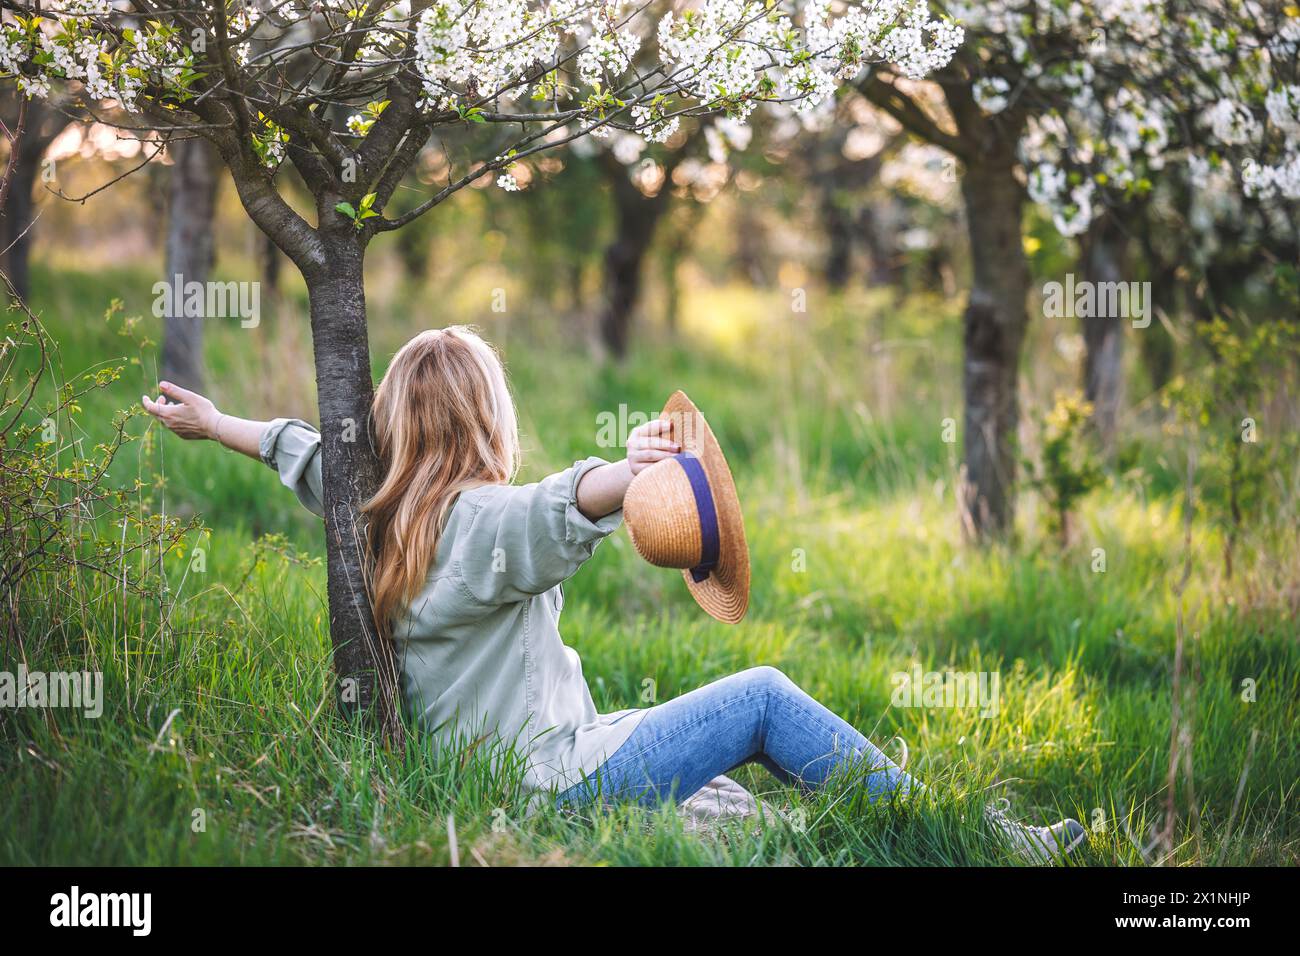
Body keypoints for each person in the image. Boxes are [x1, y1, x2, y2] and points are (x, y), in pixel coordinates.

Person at [143, 325, 1085, 863]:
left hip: (497, 780)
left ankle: (867, 834)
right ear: (488, 417)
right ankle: (986, 841)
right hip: (551, 783)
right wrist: (622, 475)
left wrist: (219, 422)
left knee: (730, 790)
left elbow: (300, 449)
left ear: (392, 420)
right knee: (759, 696)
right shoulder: (483, 524)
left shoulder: (373, 507)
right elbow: (560, 506)